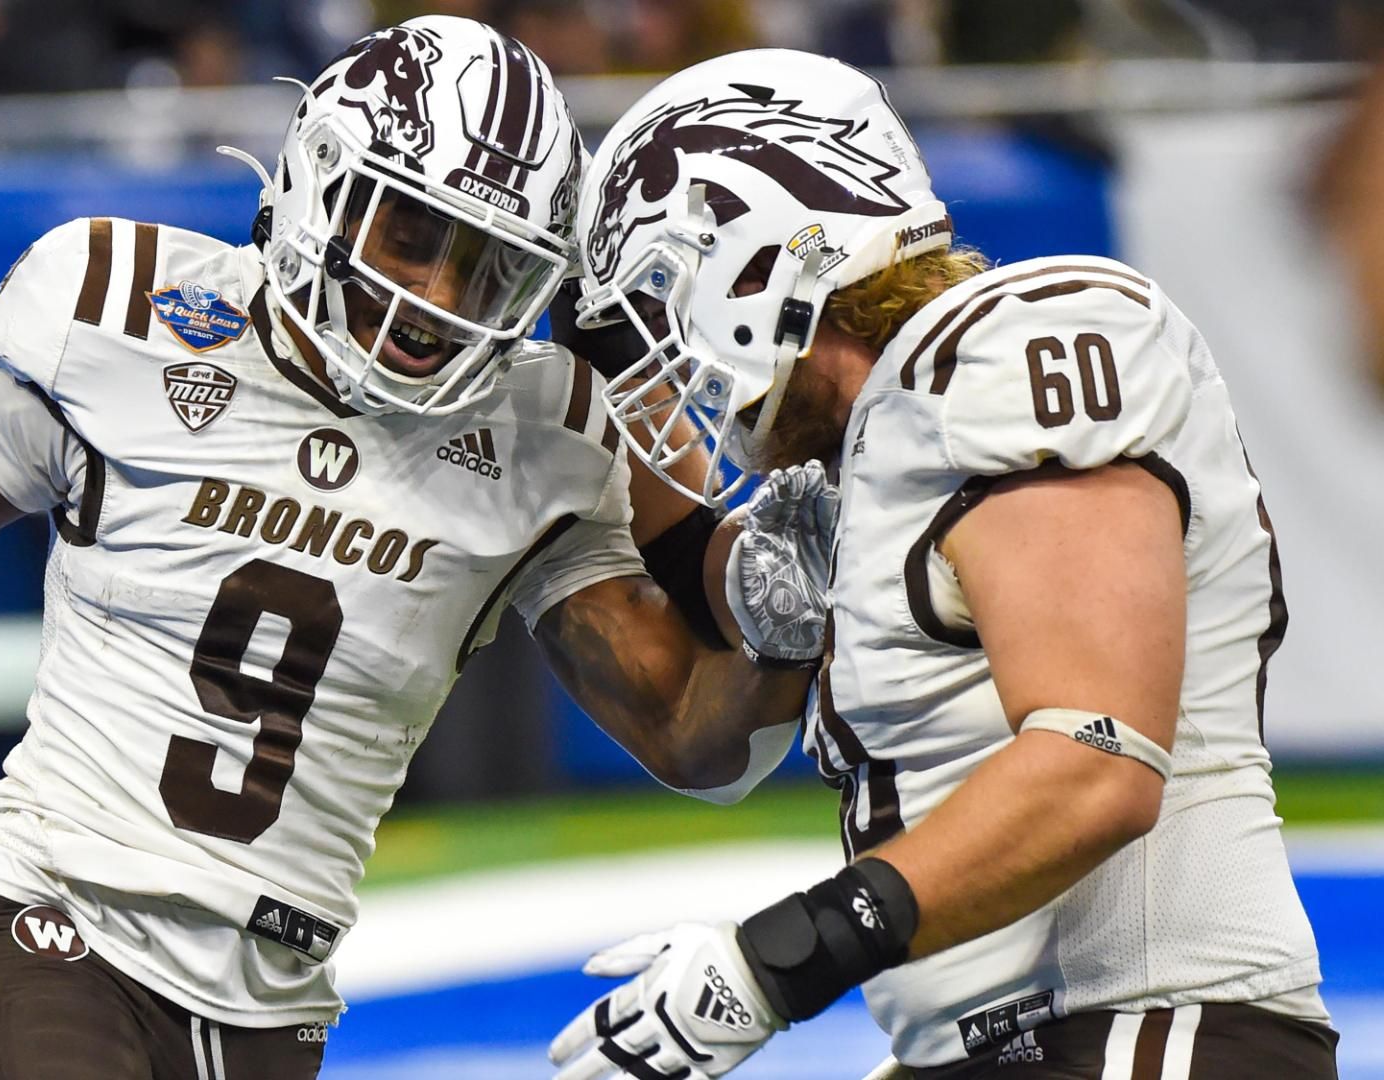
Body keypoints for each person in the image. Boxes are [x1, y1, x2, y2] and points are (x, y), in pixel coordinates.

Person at [0, 18, 808, 1078]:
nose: (438, 296)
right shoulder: (132, 322)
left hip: (272, 1007)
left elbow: (691, 736)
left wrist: (789, 625)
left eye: (483, 266)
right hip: (46, 923)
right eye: (411, 232)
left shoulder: (536, 435)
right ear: (321, 182)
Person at [548, 49, 1337, 1079]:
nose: (672, 355)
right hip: (1020, 1046)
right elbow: (709, 612)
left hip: (1149, 1027)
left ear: (761, 255)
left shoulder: (1013, 343)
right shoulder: (880, 454)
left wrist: (772, 963)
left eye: (667, 299)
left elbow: (1094, 765)